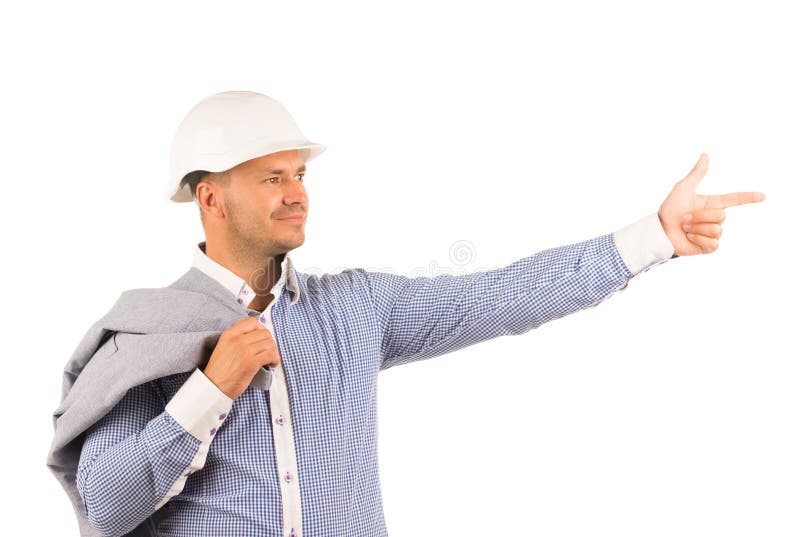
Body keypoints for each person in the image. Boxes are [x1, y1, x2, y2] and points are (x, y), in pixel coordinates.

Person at [57, 91, 766, 537]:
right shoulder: (146, 336)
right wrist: (209, 390)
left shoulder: (356, 307)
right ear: (211, 198)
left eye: (299, 175)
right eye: (271, 178)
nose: (296, 194)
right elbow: (107, 507)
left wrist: (652, 238)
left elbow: (501, 296)